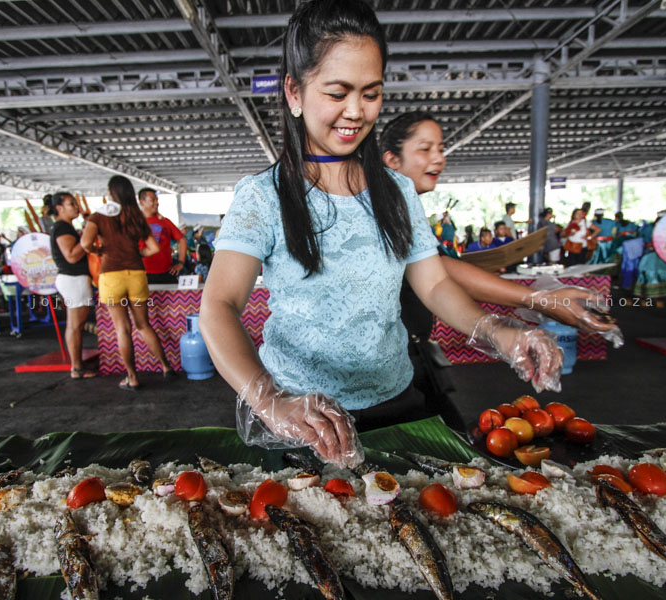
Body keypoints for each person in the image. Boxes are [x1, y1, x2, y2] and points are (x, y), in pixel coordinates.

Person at [200, 1, 606, 468]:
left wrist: (498, 331)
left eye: (370, 93)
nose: (356, 111)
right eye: (338, 93)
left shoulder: (395, 191)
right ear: (294, 92)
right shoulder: (262, 196)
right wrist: (271, 400)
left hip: (397, 404)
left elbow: (433, 284)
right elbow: (219, 306)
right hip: (304, 419)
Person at [379, 109, 618, 339]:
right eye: (425, 149)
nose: (439, 158)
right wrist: (539, 300)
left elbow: (439, 271)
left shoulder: (405, 207)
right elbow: (441, 273)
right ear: (392, 160)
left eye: (441, 149)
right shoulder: (387, 208)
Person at [81, 175, 174, 390]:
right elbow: (154, 248)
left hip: (111, 276)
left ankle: (132, 377)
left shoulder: (98, 216)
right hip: (137, 275)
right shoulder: (136, 217)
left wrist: (99, 251)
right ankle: (166, 366)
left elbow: (85, 243)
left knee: (122, 329)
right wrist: (135, 253)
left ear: (111, 193)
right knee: (143, 325)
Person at [49, 192, 97, 379]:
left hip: (74, 279)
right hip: (73, 279)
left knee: (75, 325)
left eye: (75, 203)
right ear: (59, 208)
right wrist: (87, 237)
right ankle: (77, 368)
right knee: (76, 326)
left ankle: (77, 367)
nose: (76, 207)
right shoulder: (61, 227)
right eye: (71, 204)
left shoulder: (65, 227)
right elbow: (71, 255)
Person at [138, 187, 187, 284]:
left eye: (157, 200)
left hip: (166, 273)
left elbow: (182, 240)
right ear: (142, 202)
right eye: (153, 200)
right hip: (141, 274)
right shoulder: (134, 223)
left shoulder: (165, 222)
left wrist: (181, 263)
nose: (156, 203)